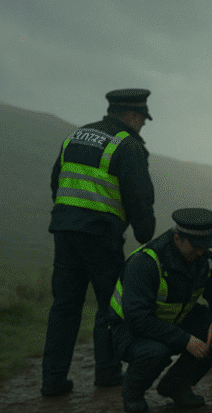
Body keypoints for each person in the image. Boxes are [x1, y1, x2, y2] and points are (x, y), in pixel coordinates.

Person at [41, 88, 156, 397]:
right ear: (133, 115)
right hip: (101, 234)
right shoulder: (127, 145)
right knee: (109, 304)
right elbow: (139, 196)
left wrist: (71, 216)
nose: (143, 125)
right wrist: (145, 234)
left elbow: (57, 182)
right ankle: (107, 372)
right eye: (143, 119)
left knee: (64, 306)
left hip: (65, 230)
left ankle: (52, 381)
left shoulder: (76, 136)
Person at [110, 208, 212, 413]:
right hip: (129, 331)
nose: (201, 251)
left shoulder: (205, 259)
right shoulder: (145, 262)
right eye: (196, 246)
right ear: (178, 238)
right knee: (156, 352)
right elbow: (138, 319)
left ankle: (176, 385)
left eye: (205, 246)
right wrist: (186, 339)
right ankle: (133, 392)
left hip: (173, 321)